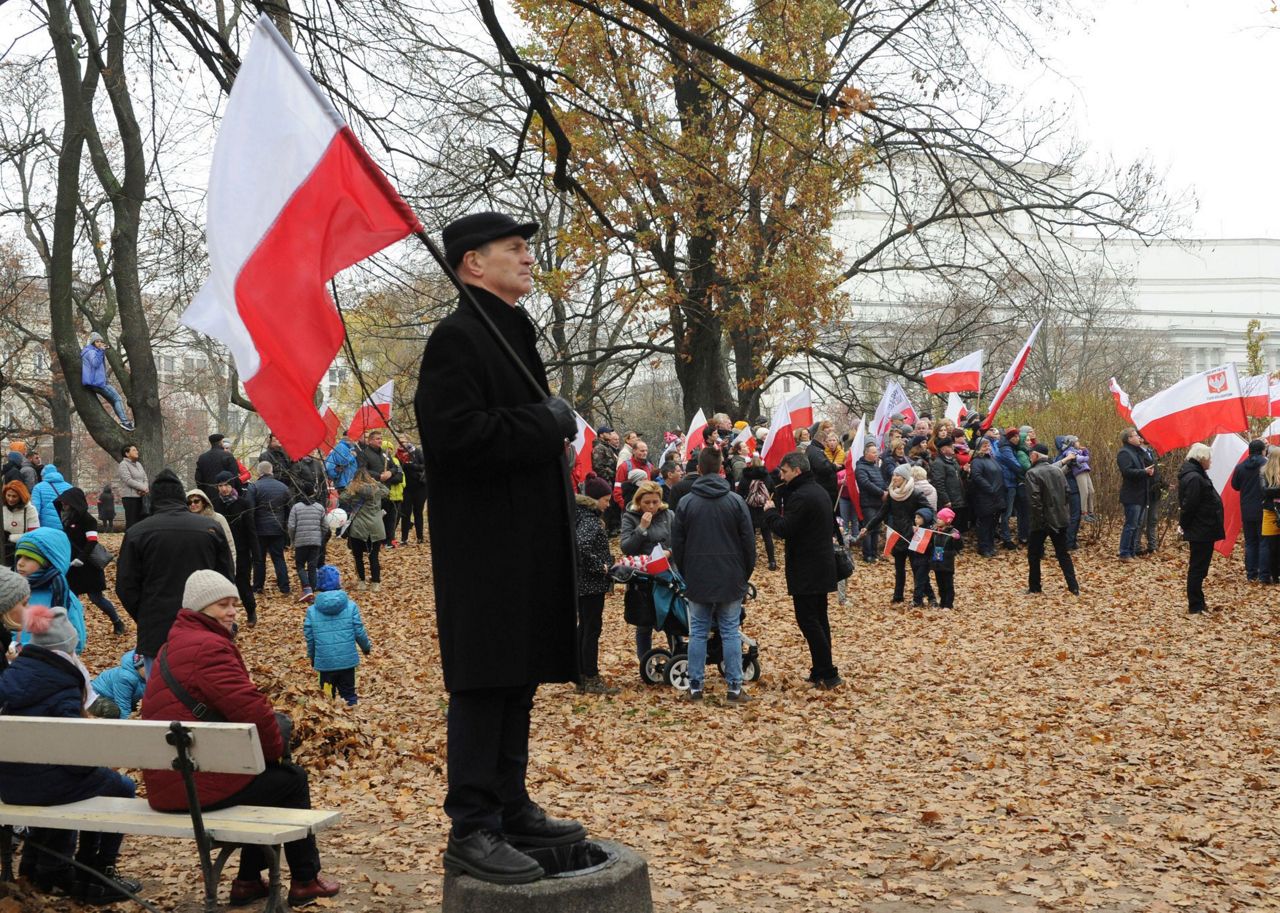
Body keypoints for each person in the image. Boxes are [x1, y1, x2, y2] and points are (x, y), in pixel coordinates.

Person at [415, 211, 585, 884]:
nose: (526, 256)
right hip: (484, 554)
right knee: (486, 684)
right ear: (472, 263)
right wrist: (543, 421)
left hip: (522, 547)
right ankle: (473, 824)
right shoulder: (457, 338)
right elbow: (454, 436)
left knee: (516, 680)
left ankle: (510, 807)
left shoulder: (509, 331)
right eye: (512, 248)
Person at [141, 571, 340, 905]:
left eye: (234, 603)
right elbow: (251, 710)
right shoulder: (208, 648)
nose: (232, 611)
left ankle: (249, 881)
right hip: (191, 789)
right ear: (200, 609)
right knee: (290, 779)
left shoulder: (171, 645)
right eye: (223, 605)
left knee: (268, 783)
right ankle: (305, 880)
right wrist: (275, 751)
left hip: (169, 781)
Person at [0, 603, 143, 902]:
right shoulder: (62, 684)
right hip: (43, 785)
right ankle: (97, 870)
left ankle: (36, 866)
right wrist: (97, 766)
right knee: (121, 787)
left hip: (10, 784)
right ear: (65, 650)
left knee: (73, 780)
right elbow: (76, 757)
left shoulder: (14, 677)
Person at [116, 469, 233, 676]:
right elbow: (225, 578)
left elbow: (126, 586)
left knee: (161, 691)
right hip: (203, 622)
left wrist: (144, 614)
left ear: (153, 499)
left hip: (157, 626)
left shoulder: (137, 533)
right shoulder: (210, 529)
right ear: (182, 497)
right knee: (205, 686)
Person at [669, 445, 754, 703]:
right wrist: (743, 573)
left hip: (698, 574)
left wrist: (686, 572)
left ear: (697, 469)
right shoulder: (735, 501)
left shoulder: (685, 503)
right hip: (730, 574)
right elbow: (748, 542)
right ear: (720, 470)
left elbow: (678, 545)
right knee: (729, 630)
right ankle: (734, 687)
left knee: (697, 631)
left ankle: (695, 687)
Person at [764, 452, 841, 689]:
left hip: (808, 567)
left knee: (808, 620)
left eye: (785, 472)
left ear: (797, 471)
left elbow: (785, 529)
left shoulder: (803, 496)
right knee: (819, 618)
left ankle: (827, 671)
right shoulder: (817, 490)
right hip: (821, 564)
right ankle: (821, 669)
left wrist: (769, 512)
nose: (781, 476)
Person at [55, 487, 127, 635]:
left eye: (66, 504)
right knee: (70, 598)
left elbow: (92, 541)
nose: (64, 506)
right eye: (62, 503)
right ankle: (70, 627)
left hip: (88, 565)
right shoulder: (66, 518)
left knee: (96, 598)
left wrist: (81, 559)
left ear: (74, 503)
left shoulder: (88, 520)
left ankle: (117, 622)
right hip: (72, 566)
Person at [860, 464, 931, 604]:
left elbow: (929, 511)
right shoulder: (892, 495)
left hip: (913, 536)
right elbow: (881, 513)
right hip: (897, 535)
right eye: (893, 475)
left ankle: (924, 597)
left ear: (904, 477)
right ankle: (898, 596)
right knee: (899, 569)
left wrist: (921, 522)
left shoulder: (916, 493)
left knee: (917, 569)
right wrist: (867, 528)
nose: (894, 478)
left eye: (897, 475)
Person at [620, 480, 675, 660]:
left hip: (667, 575)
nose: (651, 506)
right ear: (639, 502)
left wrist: (669, 552)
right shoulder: (630, 517)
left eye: (655, 502)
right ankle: (645, 661)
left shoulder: (668, 515)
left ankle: (677, 657)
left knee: (672, 619)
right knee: (644, 623)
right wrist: (641, 528)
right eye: (647, 503)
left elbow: (681, 541)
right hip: (642, 577)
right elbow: (626, 547)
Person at [304, 566, 372, 705]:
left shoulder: (312, 611)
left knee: (327, 696)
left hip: (325, 663)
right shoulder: (350, 606)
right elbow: (358, 630)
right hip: (347, 662)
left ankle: (332, 722)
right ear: (338, 582)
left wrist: (312, 656)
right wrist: (366, 647)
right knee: (349, 694)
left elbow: (310, 638)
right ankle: (352, 719)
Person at [573, 477, 616, 695]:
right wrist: (602, 566)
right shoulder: (589, 520)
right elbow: (581, 546)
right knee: (591, 629)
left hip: (583, 583)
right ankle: (590, 675)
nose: (608, 504)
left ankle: (581, 673)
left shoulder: (580, 515)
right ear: (594, 499)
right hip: (591, 584)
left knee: (585, 628)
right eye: (605, 500)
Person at [13, 527, 87, 654]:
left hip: (44, 667)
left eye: (29, 558)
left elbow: (76, 643)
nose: (20, 563)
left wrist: (23, 650)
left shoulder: (64, 597)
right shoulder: (10, 592)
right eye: (19, 557)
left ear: (48, 563)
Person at [1024, 444, 1079, 596]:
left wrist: (1042, 521)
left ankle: (1035, 587)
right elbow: (1067, 493)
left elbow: (1035, 501)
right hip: (1060, 519)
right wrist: (1061, 512)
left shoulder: (1032, 473)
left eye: (1030, 455)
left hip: (1041, 522)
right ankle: (1073, 587)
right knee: (1063, 554)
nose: (1030, 458)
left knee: (1034, 555)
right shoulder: (1058, 471)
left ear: (1035, 456)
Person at [1178, 442, 1224, 615]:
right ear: (1202, 458)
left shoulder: (1196, 474)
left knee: (1200, 568)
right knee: (1198, 568)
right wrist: (1185, 525)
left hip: (1204, 527)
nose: (1211, 462)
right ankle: (1195, 604)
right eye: (1209, 458)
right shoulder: (1194, 477)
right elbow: (1189, 505)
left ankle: (1199, 601)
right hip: (1201, 528)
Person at [214, 471, 259, 624]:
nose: (223, 489)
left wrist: (256, 553)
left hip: (242, 550)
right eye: (220, 486)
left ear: (232, 485)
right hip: (221, 551)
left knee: (242, 583)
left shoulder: (243, 503)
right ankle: (225, 619)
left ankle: (251, 610)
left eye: (226, 484)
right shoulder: (215, 505)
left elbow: (251, 529)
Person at [339, 469, 389, 592]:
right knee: (374, 557)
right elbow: (387, 491)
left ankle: (362, 582)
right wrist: (377, 482)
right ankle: (376, 583)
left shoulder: (353, 489)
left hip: (358, 529)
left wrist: (351, 485)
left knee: (358, 557)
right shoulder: (376, 489)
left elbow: (342, 498)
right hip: (376, 528)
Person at [250, 461, 292, 596]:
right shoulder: (283, 487)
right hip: (277, 528)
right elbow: (288, 509)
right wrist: (284, 527)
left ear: (259, 472)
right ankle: (284, 587)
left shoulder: (255, 487)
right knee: (278, 558)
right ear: (271, 471)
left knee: (259, 559)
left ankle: (258, 587)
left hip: (259, 529)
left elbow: (250, 509)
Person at [79, 332, 134, 431]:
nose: (100, 343)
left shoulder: (90, 351)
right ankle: (125, 422)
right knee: (117, 398)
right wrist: (101, 351)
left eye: (101, 341)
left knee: (114, 400)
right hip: (97, 382)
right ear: (92, 342)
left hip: (95, 382)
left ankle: (124, 421)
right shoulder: (91, 352)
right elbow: (95, 364)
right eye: (97, 341)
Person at [1231, 439, 1268, 583]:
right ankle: (1263, 573)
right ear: (1262, 450)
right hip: (1264, 508)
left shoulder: (1240, 467)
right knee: (1263, 542)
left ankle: (1251, 573)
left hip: (1246, 509)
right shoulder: (1266, 464)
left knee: (1250, 542)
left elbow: (1235, 485)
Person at [1116, 427, 1155, 561]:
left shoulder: (1137, 451)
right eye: (1135, 436)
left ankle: (1131, 552)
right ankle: (1124, 553)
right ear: (1128, 439)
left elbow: (1148, 461)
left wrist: (1147, 471)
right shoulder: (1124, 453)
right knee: (1131, 525)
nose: (1139, 438)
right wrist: (1144, 472)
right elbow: (1127, 472)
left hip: (1141, 494)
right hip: (1132, 495)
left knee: (1137, 525)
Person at [288, 483, 327, 601]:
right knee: (312, 565)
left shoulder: (296, 507)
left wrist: (292, 539)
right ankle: (313, 589)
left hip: (300, 541)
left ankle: (306, 587)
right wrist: (320, 537)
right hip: (315, 541)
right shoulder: (319, 507)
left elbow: (291, 526)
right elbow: (325, 526)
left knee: (300, 565)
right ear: (313, 493)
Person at [737, 454, 776, 571]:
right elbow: (773, 490)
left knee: (751, 536)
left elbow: (740, 493)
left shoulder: (745, 477)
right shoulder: (767, 476)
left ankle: (751, 560)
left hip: (749, 510)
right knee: (767, 535)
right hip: (764, 509)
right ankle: (772, 561)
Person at [967, 438, 1005, 558]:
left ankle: (991, 545)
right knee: (985, 523)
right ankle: (983, 547)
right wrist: (990, 489)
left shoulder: (992, 459)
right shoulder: (977, 461)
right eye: (984, 446)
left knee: (993, 523)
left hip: (997, 496)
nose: (987, 447)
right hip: (984, 497)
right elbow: (977, 477)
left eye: (988, 445)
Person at [186, 489, 237, 569]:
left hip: (216, 566)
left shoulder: (218, 519)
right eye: (189, 503)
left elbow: (229, 544)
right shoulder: (186, 522)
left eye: (196, 501)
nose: (192, 504)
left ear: (203, 502)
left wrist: (231, 568)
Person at [854, 443, 887, 562]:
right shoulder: (860, 468)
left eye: (876, 452)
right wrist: (881, 493)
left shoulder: (875, 467)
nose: (876, 454)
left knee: (877, 528)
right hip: (868, 503)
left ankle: (874, 553)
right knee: (868, 528)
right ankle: (867, 554)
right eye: (873, 452)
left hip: (879, 502)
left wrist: (886, 491)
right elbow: (865, 483)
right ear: (866, 453)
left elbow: (881, 481)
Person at [90, 650, 147, 719]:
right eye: (148, 667)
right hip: (96, 697)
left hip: (123, 698)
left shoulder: (148, 676)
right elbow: (123, 704)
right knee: (113, 711)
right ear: (139, 666)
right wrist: (126, 726)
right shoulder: (125, 677)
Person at [929, 507, 964, 609]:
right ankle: (942, 602)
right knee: (940, 584)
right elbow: (929, 543)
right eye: (937, 518)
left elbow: (959, 547)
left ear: (947, 521)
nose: (937, 520)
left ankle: (949, 604)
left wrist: (957, 539)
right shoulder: (934, 530)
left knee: (948, 584)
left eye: (940, 519)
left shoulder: (953, 532)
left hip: (947, 562)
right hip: (937, 561)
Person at [397, 440, 428, 545]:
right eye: (400, 441)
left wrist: (412, 466)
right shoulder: (397, 455)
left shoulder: (417, 452)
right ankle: (404, 539)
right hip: (406, 488)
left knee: (418, 513)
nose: (402, 443)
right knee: (405, 513)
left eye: (404, 441)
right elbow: (396, 469)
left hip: (420, 487)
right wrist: (403, 464)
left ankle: (420, 537)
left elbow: (424, 466)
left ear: (408, 441)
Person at [1, 481, 38, 567]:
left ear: (21, 496)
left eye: (14, 496)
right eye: (8, 495)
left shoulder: (30, 510)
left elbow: (34, 534)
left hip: (22, 550)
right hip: (3, 550)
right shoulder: (2, 508)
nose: (10, 499)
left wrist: (11, 537)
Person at [194, 433, 238, 504]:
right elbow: (234, 476)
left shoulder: (202, 458)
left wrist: (203, 493)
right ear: (221, 442)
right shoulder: (228, 455)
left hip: (209, 497)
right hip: (226, 496)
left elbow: (198, 479)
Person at [30, 464, 72, 532]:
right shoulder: (69, 486)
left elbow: (35, 510)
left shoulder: (38, 487)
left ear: (43, 475)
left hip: (46, 528)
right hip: (66, 525)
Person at [116, 444, 149, 529]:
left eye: (136, 450)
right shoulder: (123, 464)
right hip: (130, 498)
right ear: (127, 454)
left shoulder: (139, 464)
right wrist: (143, 488)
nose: (137, 451)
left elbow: (145, 478)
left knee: (142, 522)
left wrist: (145, 488)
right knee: (132, 523)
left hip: (141, 497)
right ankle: (130, 541)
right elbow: (128, 480)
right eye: (134, 450)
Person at [1260, 445, 1280, 585]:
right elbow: (1265, 491)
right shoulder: (1264, 473)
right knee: (1273, 547)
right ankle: (1275, 575)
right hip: (1271, 512)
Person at [382, 441, 406, 546]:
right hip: (388, 495)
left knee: (395, 519)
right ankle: (384, 539)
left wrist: (389, 477)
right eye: (387, 448)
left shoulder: (396, 461)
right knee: (385, 519)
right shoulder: (382, 461)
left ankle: (391, 539)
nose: (389, 451)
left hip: (398, 495)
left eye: (391, 449)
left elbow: (400, 476)